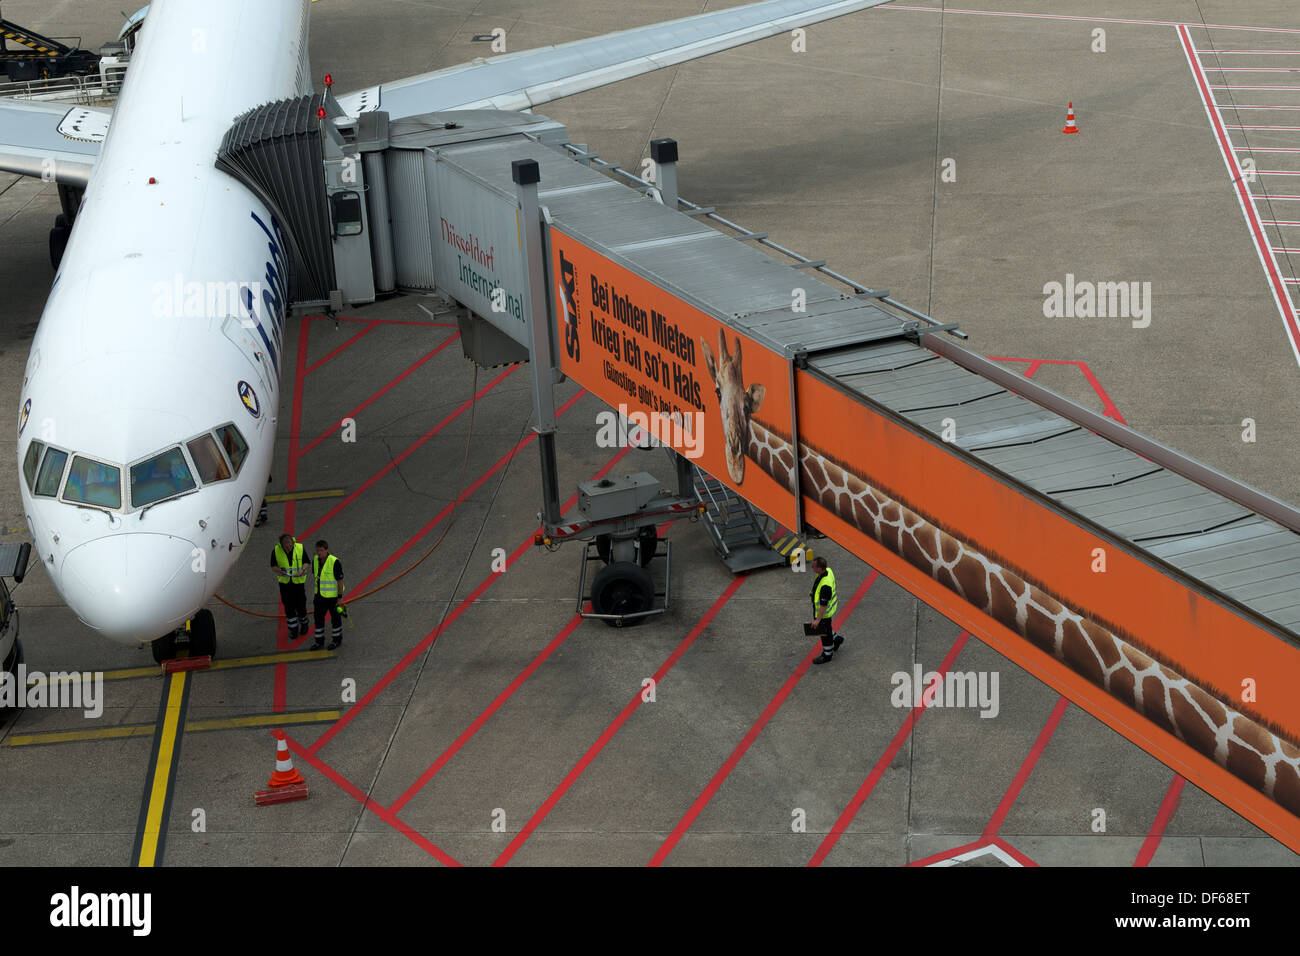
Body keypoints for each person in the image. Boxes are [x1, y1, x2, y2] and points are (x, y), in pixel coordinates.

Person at [270, 533, 309, 637]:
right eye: (286, 547)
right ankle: (293, 629)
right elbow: (273, 566)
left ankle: (304, 624)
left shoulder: (299, 548)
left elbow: (307, 562)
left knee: (301, 606)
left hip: (298, 583)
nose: (289, 548)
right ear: (282, 545)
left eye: (290, 546)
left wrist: (302, 570)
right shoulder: (276, 551)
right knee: (288, 607)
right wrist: (279, 570)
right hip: (285, 584)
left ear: (293, 543)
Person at [311, 539, 345, 650]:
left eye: (321, 550)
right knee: (318, 618)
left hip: (333, 597)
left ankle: (336, 640)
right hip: (320, 596)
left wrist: (340, 598)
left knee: (335, 619)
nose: (319, 553)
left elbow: (340, 581)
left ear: (326, 550)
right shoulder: (315, 560)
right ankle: (319, 642)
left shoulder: (334, 562)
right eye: (317, 550)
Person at [809, 556, 843, 665]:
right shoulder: (828, 570)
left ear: (820, 568)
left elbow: (823, 605)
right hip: (827, 611)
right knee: (827, 628)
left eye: (814, 566)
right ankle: (837, 639)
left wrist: (818, 620)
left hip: (824, 613)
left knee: (824, 633)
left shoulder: (825, 586)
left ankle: (827, 655)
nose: (812, 568)